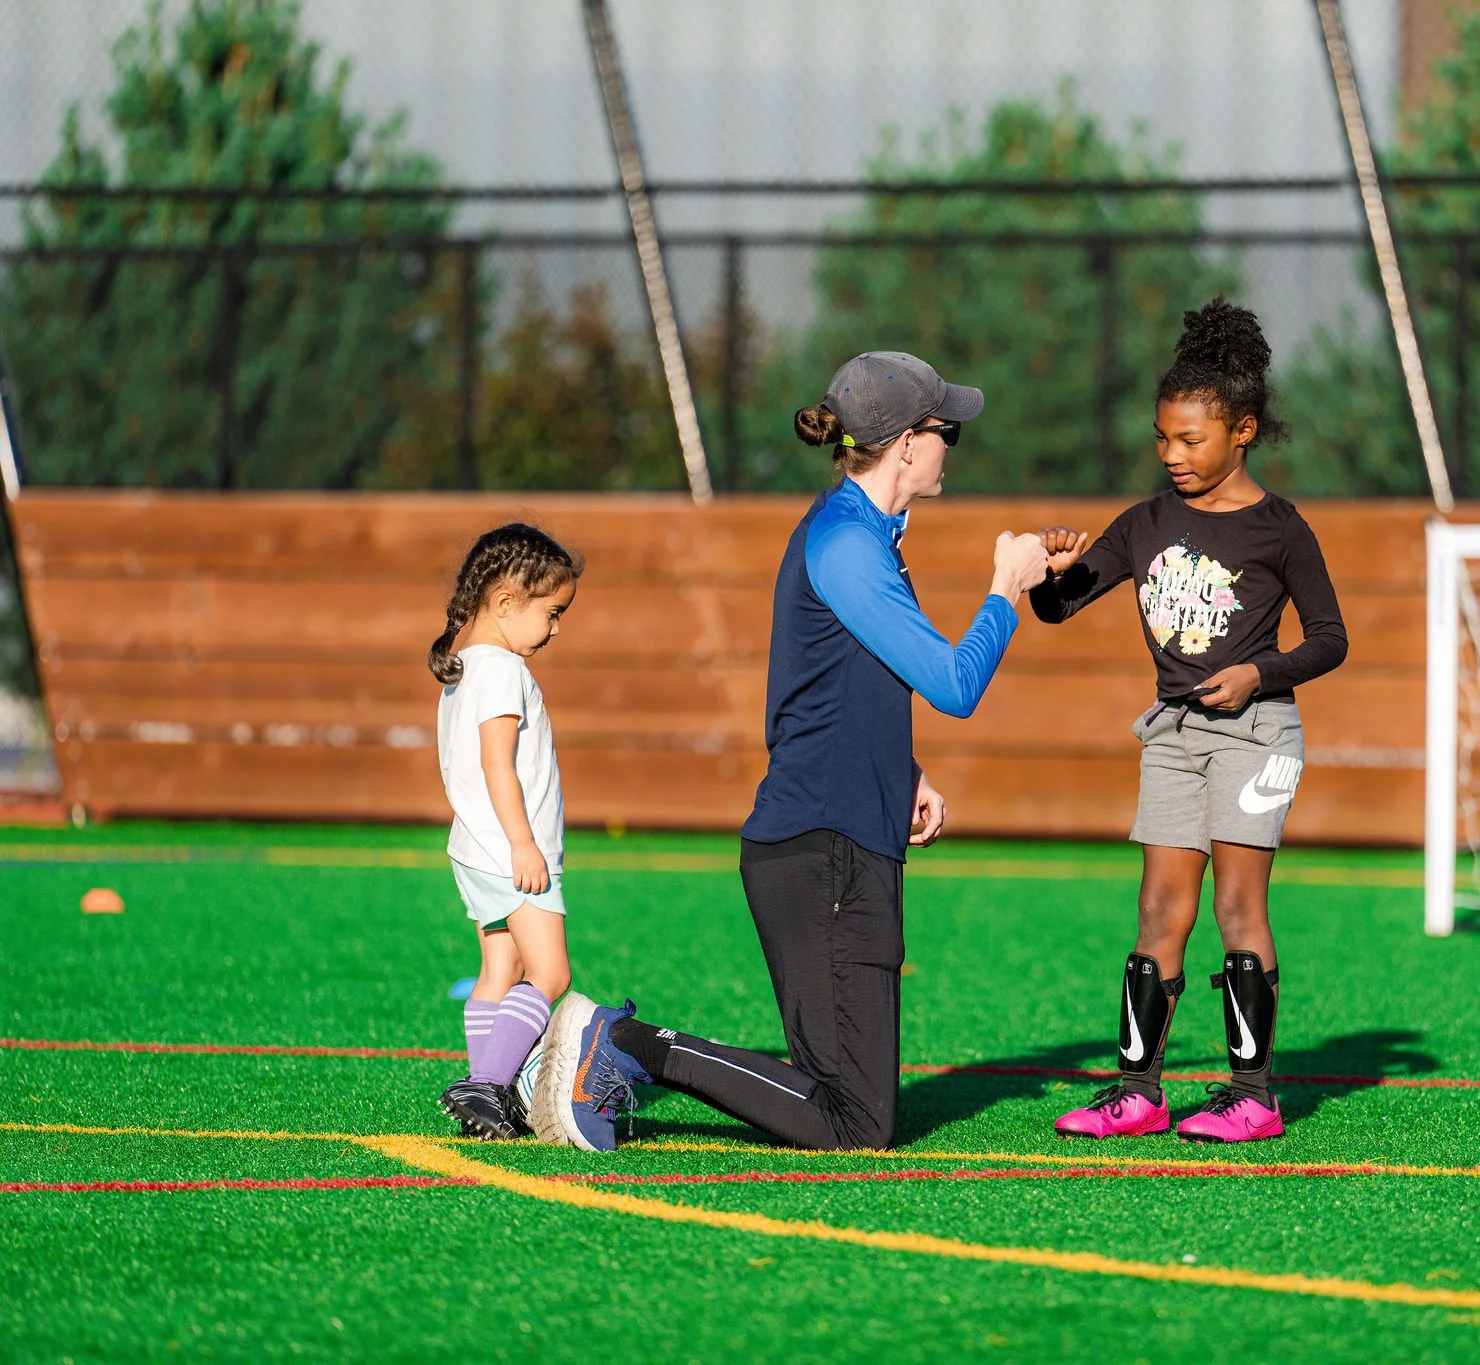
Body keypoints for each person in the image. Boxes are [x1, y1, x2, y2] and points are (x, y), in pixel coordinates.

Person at [529, 351, 1048, 1152]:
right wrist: (1005, 589)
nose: (953, 444)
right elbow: (953, 683)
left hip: (831, 845)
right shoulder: (846, 543)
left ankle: (622, 1045)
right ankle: (623, 1044)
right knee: (856, 1119)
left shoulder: (860, 534)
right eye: (947, 430)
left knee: (850, 1108)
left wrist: (903, 772)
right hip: (824, 852)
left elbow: (833, 686)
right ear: (906, 444)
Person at [1031, 299, 1347, 1144]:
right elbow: (1058, 608)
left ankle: (1253, 1096)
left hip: (1258, 735)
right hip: (1170, 737)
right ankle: (1138, 1092)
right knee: (1159, 910)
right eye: (1163, 439)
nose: (1172, 455)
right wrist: (1050, 571)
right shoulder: (1145, 522)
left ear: (1243, 430)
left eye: (1190, 440)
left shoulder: (1281, 529)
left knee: (1239, 908)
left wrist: (1258, 672)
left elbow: (1330, 640)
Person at [428, 523, 583, 1140]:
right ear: (506, 603)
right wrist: (524, 843)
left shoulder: (466, 667)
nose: (554, 629)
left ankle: (481, 1100)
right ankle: (487, 1085)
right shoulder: (502, 672)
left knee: (500, 970)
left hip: (474, 849)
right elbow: (497, 763)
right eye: (552, 613)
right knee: (551, 976)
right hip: (510, 851)